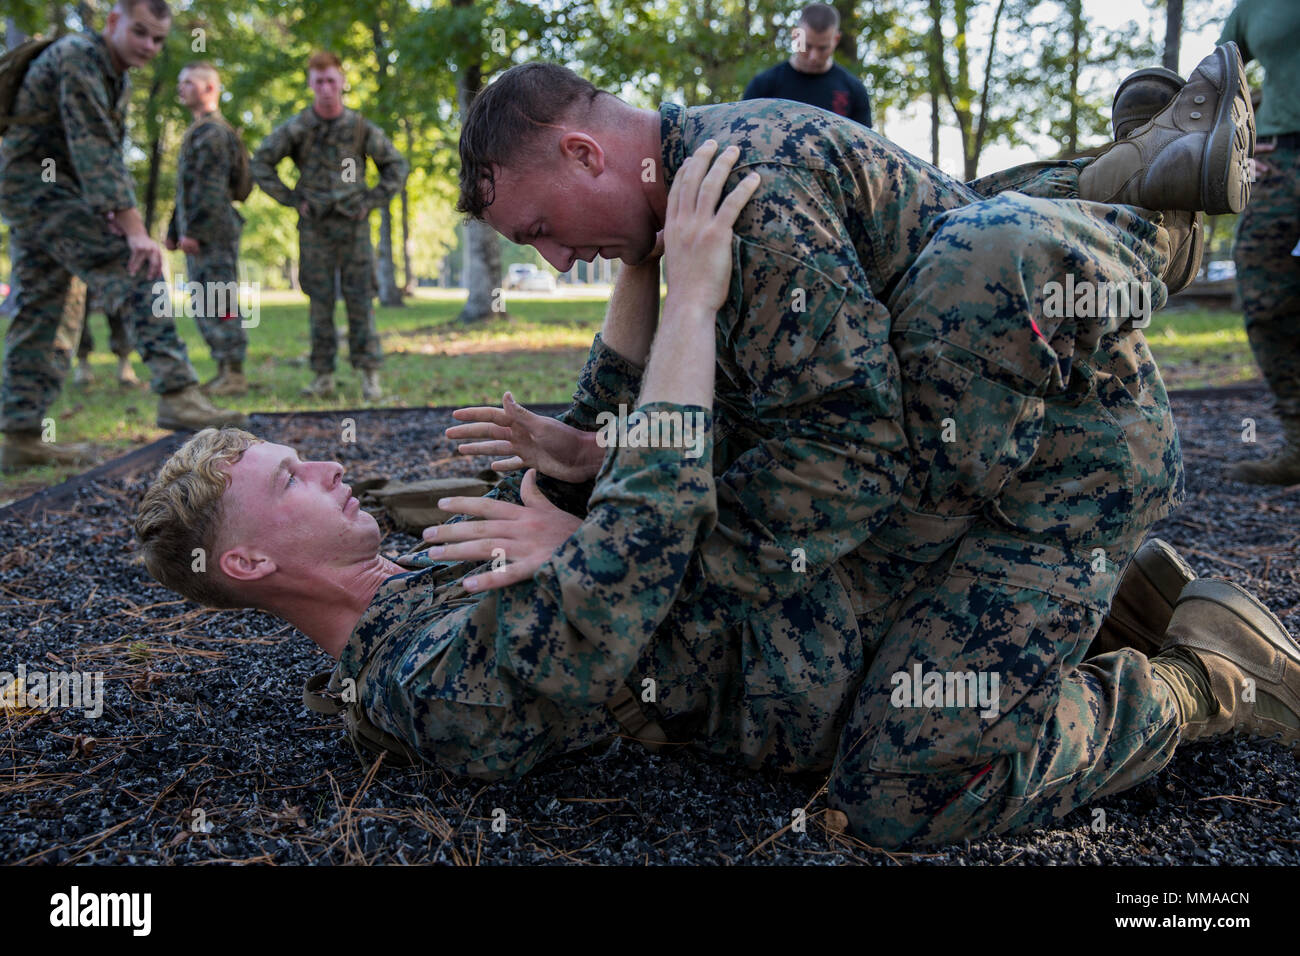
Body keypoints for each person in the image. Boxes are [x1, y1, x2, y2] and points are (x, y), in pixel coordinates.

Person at [136, 139, 1300, 850]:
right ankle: (1202, 679)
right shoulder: (420, 682)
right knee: (906, 795)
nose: (329, 463)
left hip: (815, 561)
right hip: (820, 643)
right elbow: (632, 558)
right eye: (291, 475)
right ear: (246, 564)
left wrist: (640, 241)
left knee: (865, 311)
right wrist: (686, 296)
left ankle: (1128, 202)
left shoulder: (419, 536)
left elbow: (605, 420)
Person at [442, 46, 1272, 848]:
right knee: (827, 648)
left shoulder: (747, 196)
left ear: (585, 153)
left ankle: (1201, 678)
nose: (553, 262)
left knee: (904, 791)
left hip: (1058, 474)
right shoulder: (698, 180)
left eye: (541, 228)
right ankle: (1127, 190)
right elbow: (760, 411)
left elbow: (848, 466)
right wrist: (598, 452)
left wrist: (616, 558)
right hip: (978, 439)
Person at [0, 0, 247, 472]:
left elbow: (100, 149)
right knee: (138, 264)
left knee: (42, 306)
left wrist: (113, 213)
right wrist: (134, 230)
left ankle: (21, 435)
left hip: (43, 192)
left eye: (158, 38)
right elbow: (94, 146)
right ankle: (176, 392)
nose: (150, 46)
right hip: (40, 191)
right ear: (113, 22)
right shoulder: (78, 55)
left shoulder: (113, 72)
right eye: (140, 32)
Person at [251, 50, 409, 402]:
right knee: (319, 303)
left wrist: (369, 201)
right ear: (310, 84)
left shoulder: (359, 127)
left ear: (342, 83)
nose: (325, 87)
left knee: (360, 301)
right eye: (319, 81)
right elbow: (261, 162)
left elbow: (396, 166)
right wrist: (293, 199)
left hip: (353, 227)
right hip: (315, 228)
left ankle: (370, 379)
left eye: (331, 80)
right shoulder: (298, 127)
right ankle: (322, 377)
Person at [1219, 0, 1300, 485]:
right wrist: (1241, 144)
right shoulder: (1256, 5)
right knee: (1266, 298)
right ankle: (1298, 442)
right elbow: (1219, 76)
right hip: (1280, 161)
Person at [164, 61, 250, 398]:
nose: (181, 88)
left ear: (210, 89)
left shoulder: (213, 133)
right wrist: (175, 229)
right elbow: (187, 189)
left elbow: (211, 189)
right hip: (201, 232)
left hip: (213, 233)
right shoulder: (198, 130)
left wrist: (195, 232)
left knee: (220, 299)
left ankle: (235, 372)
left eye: (188, 82)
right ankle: (223, 369)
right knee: (204, 300)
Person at [742, 3, 872, 128]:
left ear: (836, 39)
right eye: (807, 46)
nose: (813, 56)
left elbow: (864, 147)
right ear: (795, 35)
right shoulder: (764, 86)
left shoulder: (854, 91)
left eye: (822, 48)